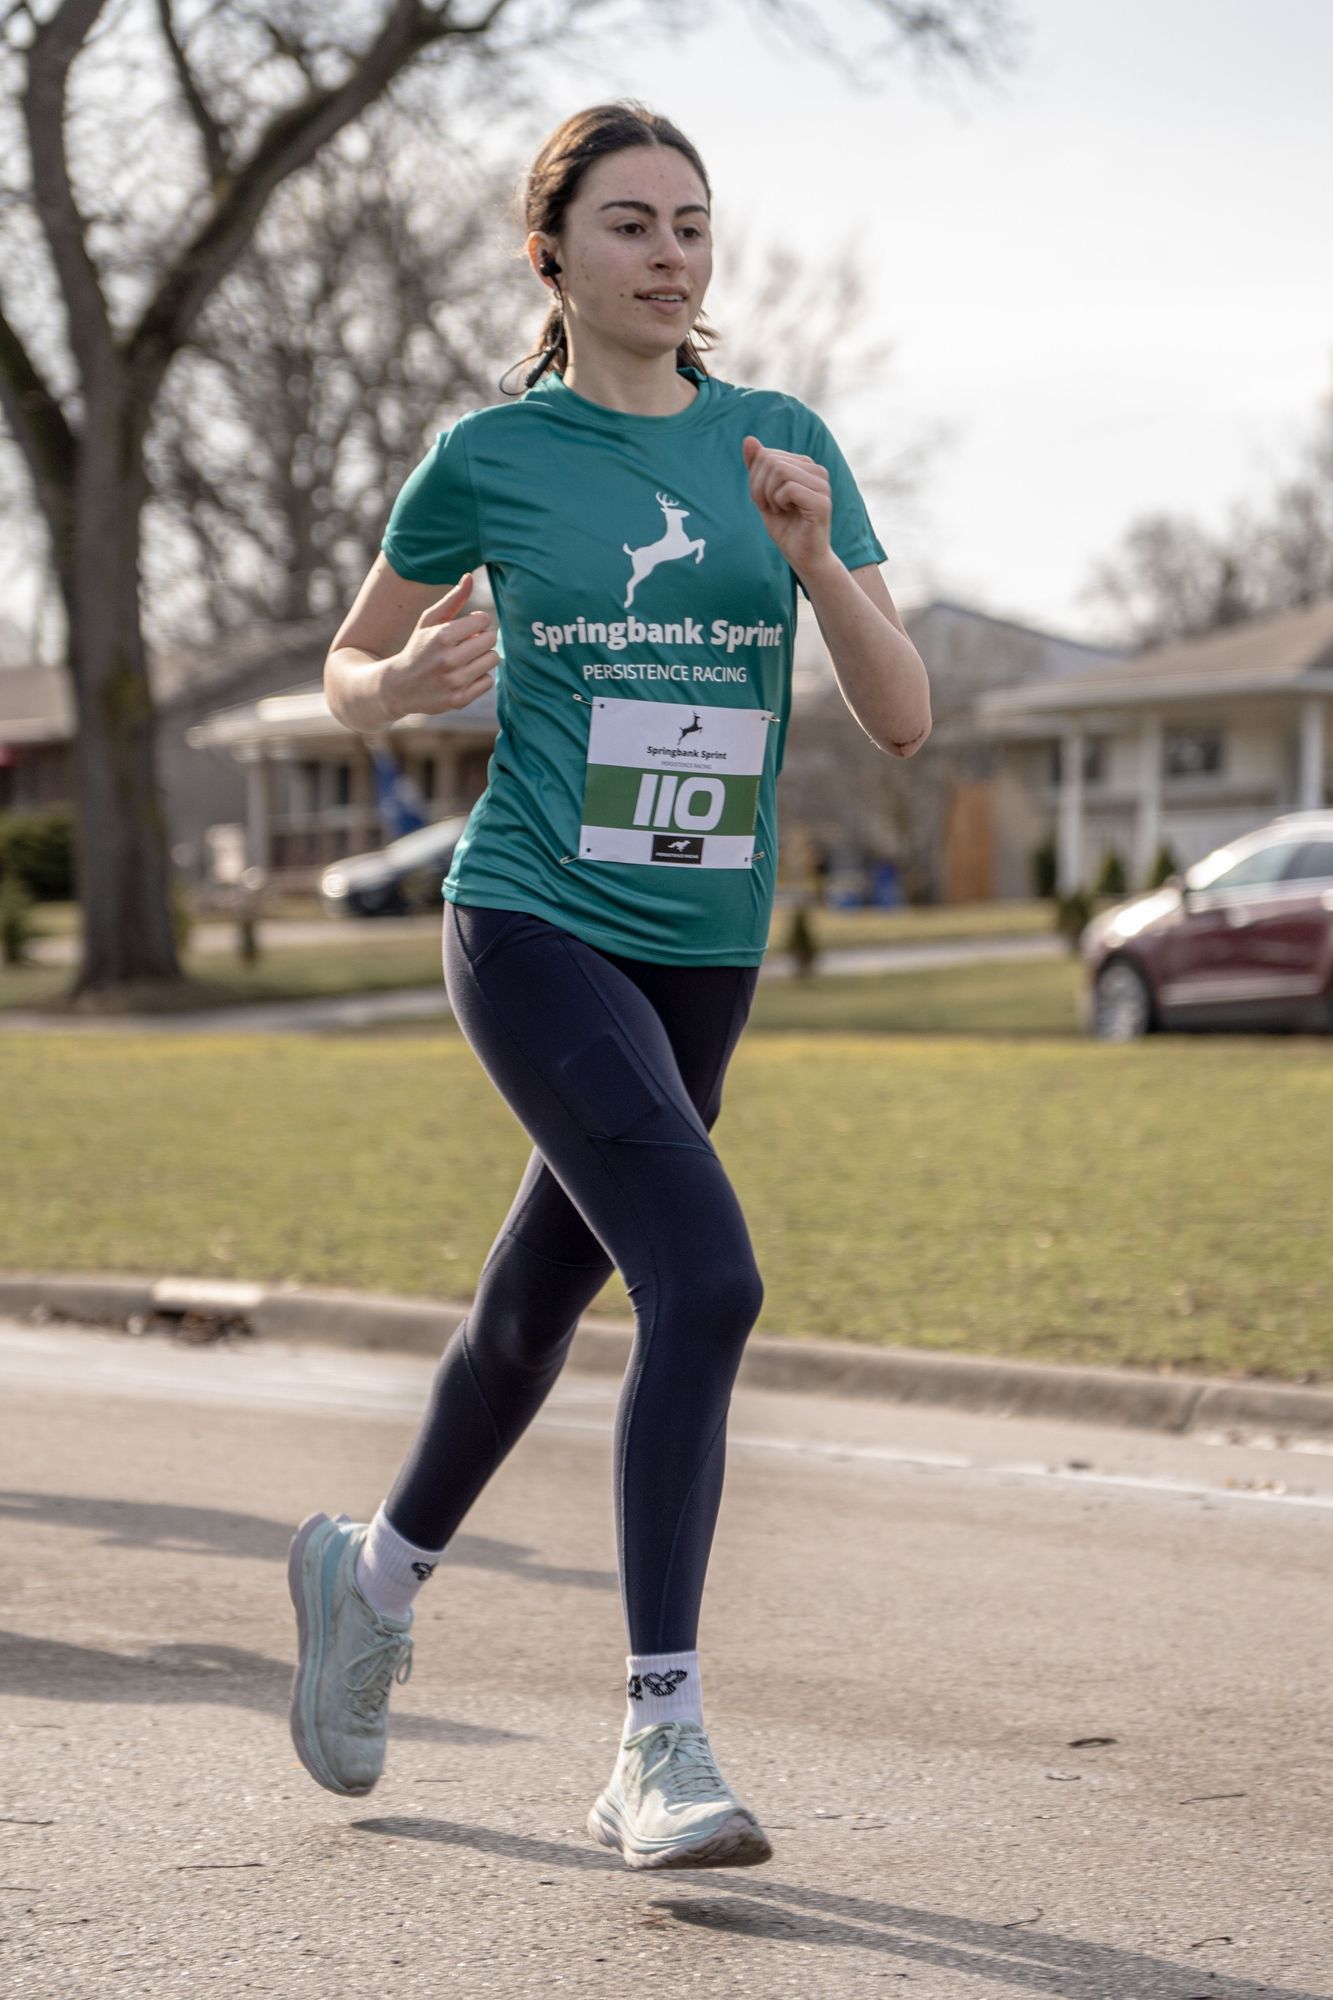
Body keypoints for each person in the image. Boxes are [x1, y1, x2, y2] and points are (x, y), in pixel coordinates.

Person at [286, 99, 931, 1873]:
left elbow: (900, 711)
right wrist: (397, 684)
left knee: (530, 1311)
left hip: (701, 936)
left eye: (692, 227)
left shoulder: (780, 445)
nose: (669, 256)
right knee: (704, 1281)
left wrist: (807, 555)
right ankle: (659, 1740)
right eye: (632, 224)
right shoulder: (488, 457)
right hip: (533, 913)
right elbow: (347, 667)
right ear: (550, 253)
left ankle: (371, 1574)